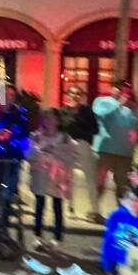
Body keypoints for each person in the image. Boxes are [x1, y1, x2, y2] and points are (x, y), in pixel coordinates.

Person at [91, 81, 138, 221]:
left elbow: (133, 129)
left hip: (124, 152)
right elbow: (100, 115)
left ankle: (122, 212)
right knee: (99, 181)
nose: (121, 92)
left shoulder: (129, 110)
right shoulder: (102, 101)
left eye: (124, 90)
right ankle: (94, 211)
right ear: (112, 89)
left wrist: (134, 144)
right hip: (105, 149)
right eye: (118, 89)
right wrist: (118, 104)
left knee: (122, 184)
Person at [28, 108, 76, 246]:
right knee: (39, 206)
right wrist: (40, 150)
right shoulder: (35, 136)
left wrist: (55, 150)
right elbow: (28, 154)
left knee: (57, 207)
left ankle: (57, 237)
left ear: (57, 120)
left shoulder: (65, 138)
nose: (48, 121)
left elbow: (71, 157)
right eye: (46, 117)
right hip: (41, 176)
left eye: (51, 118)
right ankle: (38, 236)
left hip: (57, 178)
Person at [0, 83, 29, 238]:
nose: (8, 98)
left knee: (6, 194)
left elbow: (22, 132)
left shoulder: (20, 114)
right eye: (5, 95)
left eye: (11, 95)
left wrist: (11, 133)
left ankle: (3, 227)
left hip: (12, 159)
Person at [61, 83, 99, 219]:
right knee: (67, 177)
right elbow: (60, 129)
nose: (75, 96)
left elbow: (95, 129)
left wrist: (81, 131)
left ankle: (95, 209)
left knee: (90, 177)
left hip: (83, 144)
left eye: (78, 94)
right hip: (67, 146)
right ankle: (69, 207)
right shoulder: (63, 111)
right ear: (68, 95)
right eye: (73, 93)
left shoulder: (87, 111)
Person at [100, 189, 138, 275]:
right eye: (132, 200)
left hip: (136, 265)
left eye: (137, 201)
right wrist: (108, 265)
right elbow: (109, 241)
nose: (133, 204)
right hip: (118, 262)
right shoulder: (119, 215)